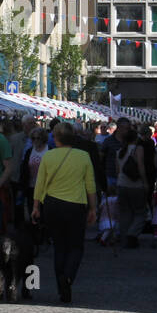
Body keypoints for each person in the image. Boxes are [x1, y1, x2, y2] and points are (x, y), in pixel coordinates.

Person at [31, 122, 97, 303]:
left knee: (59, 246)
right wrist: (93, 208)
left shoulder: (48, 156)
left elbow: (40, 184)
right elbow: (90, 185)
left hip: (52, 205)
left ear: (55, 137)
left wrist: (36, 207)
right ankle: (67, 277)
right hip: (76, 205)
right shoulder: (83, 156)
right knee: (76, 246)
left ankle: (62, 286)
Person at [112, 127, 149, 248]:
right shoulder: (138, 149)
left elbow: (117, 171)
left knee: (125, 212)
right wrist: (145, 183)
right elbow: (141, 167)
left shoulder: (119, 151)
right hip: (136, 184)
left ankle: (124, 236)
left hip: (121, 184)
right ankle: (132, 234)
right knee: (140, 212)